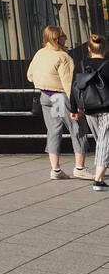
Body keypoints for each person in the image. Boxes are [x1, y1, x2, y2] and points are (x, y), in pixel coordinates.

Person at [26, 25, 90, 179]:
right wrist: (77, 107)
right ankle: (80, 168)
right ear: (57, 38)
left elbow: (30, 75)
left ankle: (55, 170)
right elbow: (68, 84)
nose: (66, 37)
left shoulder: (40, 53)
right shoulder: (63, 57)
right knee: (77, 128)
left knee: (53, 131)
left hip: (46, 96)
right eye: (64, 35)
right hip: (60, 96)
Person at [72, 35, 109, 190]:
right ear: (105, 48)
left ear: (88, 48)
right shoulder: (108, 65)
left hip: (88, 109)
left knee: (102, 141)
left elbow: (74, 87)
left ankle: (100, 174)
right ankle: (98, 180)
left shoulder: (80, 65)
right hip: (107, 109)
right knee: (104, 143)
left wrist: (74, 108)